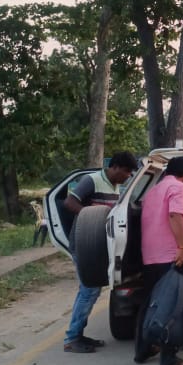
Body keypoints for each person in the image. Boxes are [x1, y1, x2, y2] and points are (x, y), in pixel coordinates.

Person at [62, 151, 136, 353]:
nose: (128, 176)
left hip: (97, 246)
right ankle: (72, 338)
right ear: (116, 167)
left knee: (90, 291)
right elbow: (69, 202)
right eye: (127, 172)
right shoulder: (92, 180)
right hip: (84, 244)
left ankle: (77, 334)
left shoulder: (116, 186)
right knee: (89, 291)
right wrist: (91, 216)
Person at [134, 156, 183, 365]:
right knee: (172, 307)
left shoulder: (154, 190)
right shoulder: (178, 188)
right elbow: (175, 216)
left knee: (150, 304)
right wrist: (182, 248)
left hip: (150, 255)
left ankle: (142, 350)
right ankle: (169, 358)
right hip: (170, 255)